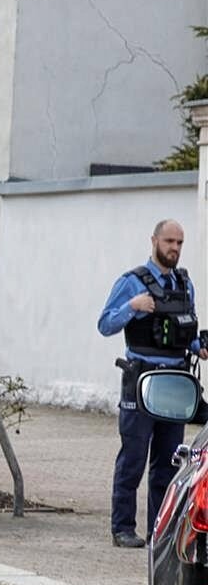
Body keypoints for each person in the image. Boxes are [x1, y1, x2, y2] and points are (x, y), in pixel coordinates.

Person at [99, 219, 196, 548]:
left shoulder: (184, 283)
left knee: (169, 461)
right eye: (169, 241)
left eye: (180, 242)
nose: (175, 248)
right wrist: (132, 307)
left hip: (175, 383)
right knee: (134, 457)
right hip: (141, 379)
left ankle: (161, 532)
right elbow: (105, 324)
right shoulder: (132, 282)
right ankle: (122, 527)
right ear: (154, 241)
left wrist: (199, 346)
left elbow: (187, 332)